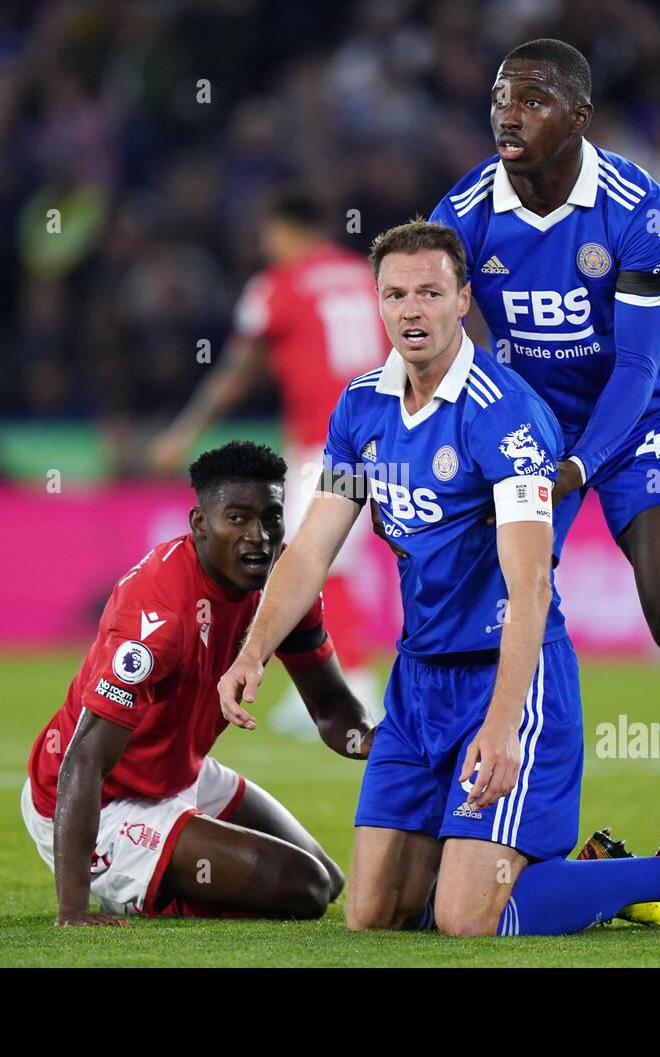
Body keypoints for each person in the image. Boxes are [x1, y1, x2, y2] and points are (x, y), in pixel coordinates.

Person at [218, 220, 660, 937]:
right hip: (418, 683)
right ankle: (587, 874)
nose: (411, 310)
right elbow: (308, 551)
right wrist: (251, 652)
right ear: (378, 304)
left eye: (429, 292)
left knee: (464, 919)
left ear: (463, 301)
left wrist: (503, 723)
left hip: (510, 675)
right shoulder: (362, 406)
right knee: (373, 914)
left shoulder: (506, 416)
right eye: (395, 294)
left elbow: (530, 585)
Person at [426, 38, 660, 898]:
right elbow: (447, 345)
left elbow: (634, 366)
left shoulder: (637, 207)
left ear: (579, 118)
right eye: (503, 97)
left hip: (640, 415)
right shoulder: (463, 211)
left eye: (535, 99)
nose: (510, 112)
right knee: (494, 606)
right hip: (529, 423)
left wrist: (578, 467)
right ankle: (490, 819)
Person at [22, 441, 374, 926]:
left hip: (178, 771)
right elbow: (85, 757)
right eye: (238, 518)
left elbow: (331, 707)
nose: (259, 537)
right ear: (200, 524)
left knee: (328, 879)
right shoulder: (159, 616)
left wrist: (390, 745)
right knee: (305, 890)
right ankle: (134, 891)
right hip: (99, 798)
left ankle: (173, 858)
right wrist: (72, 909)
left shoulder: (286, 585)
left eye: (271, 518)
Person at [149, 189, 387, 737]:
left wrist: (182, 432)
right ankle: (333, 682)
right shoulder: (365, 275)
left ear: (284, 231)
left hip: (331, 443)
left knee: (308, 559)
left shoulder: (278, 286)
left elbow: (237, 371)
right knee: (321, 559)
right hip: (391, 434)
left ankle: (350, 682)